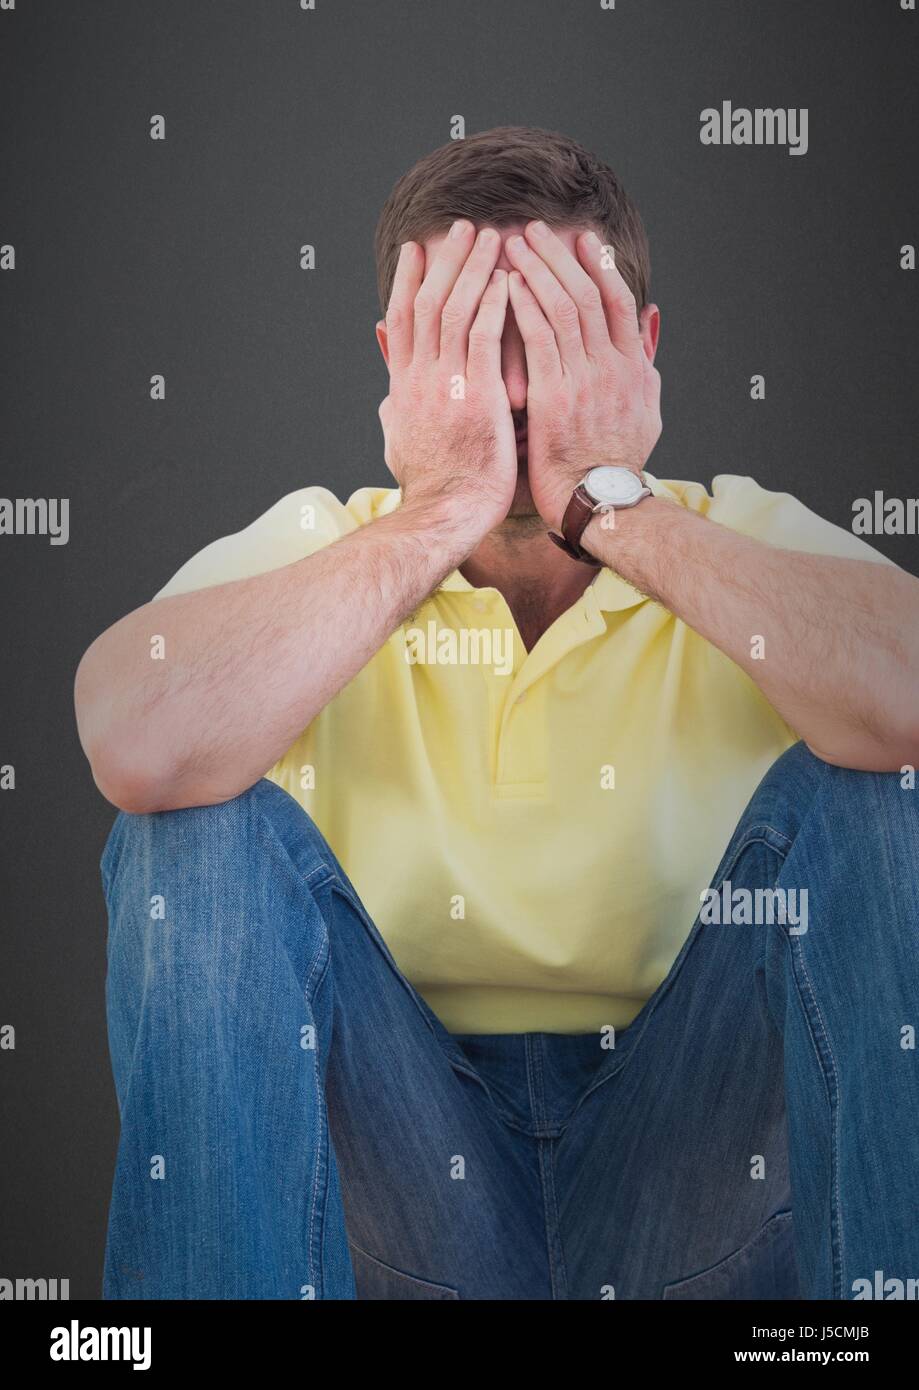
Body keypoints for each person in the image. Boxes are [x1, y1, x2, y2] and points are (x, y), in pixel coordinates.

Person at [75, 126, 919, 1300]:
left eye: (564, 346)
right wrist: (439, 510)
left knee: (883, 796)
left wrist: (615, 505)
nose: (518, 397)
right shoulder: (329, 549)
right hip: (408, 1198)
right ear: (395, 366)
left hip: (696, 1191)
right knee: (188, 835)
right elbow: (131, 738)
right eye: (475, 348)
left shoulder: (735, 541)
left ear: (643, 352)